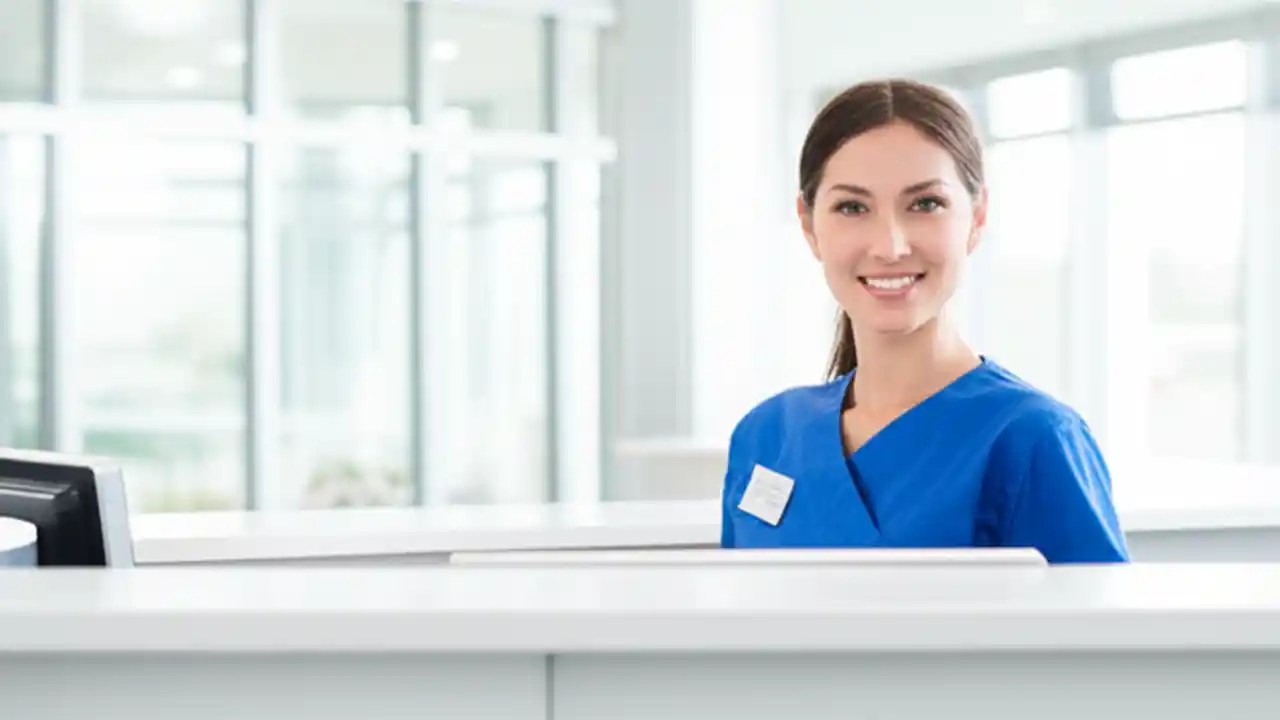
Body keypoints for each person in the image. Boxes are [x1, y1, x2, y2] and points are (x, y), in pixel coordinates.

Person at [720, 79, 1128, 564]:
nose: (890, 246)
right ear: (809, 226)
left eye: (925, 204)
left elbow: (1095, 615)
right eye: (852, 207)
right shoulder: (767, 436)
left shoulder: (1032, 439)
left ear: (977, 218)